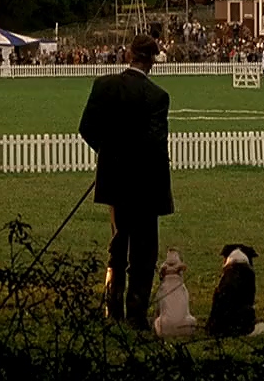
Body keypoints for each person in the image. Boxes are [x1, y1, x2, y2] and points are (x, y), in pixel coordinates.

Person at [79, 34, 173, 330]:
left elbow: (87, 128)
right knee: (144, 253)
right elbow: (155, 143)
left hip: (115, 179)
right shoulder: (157, 97)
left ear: (127, 55)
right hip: (146, 185)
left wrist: (110, 155)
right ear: (152, 62)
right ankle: (136, 314)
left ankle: (112, 307)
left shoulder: (104, 86)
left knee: (117, 245)